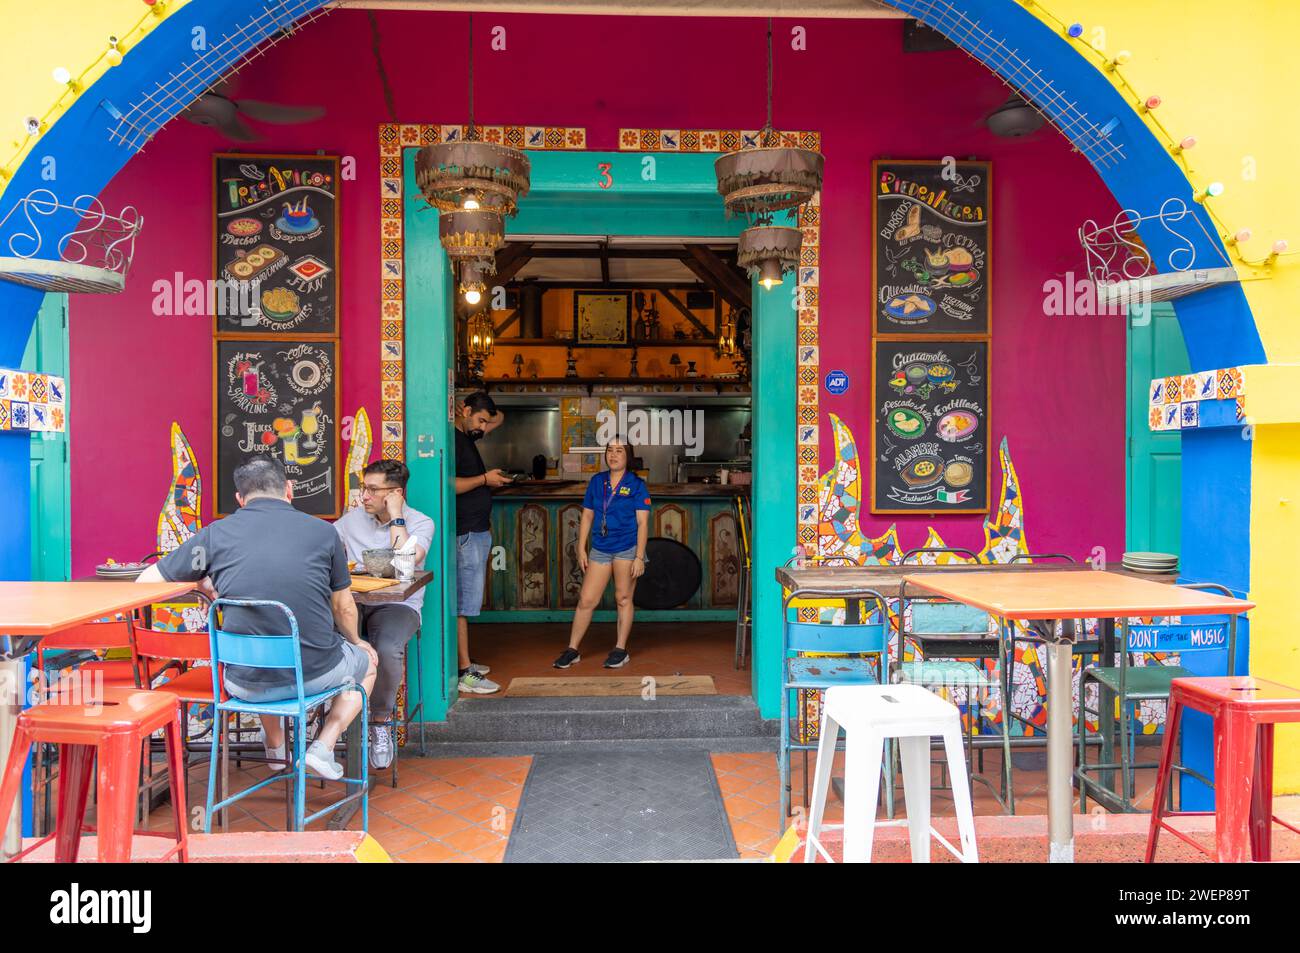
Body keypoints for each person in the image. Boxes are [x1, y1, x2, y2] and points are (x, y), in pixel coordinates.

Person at [137, 456, 376, 781]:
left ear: (240, 498)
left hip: (243, 684)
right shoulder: (323, 532)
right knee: (368, 664)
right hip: (314, 676)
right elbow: (344, 608)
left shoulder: (215, 534)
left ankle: (276, 746)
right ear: (289, 490)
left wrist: (198, 583)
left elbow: (145, 582)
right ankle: (323, 746)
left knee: (262, 651)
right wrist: (358, 642)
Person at [333, 459, 432, 770]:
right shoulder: (350, 521)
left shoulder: (419, 522)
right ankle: (333, 723)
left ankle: (379, 721)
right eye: (365, 488)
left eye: (373, 490)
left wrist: (397, 517)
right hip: (355, 603)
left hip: (399, 605)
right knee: (323, 638)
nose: (364, 496)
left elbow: (405, 570)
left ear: (396, 493)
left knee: (387, 649)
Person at [553, 438, 650, 669]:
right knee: (587, 599)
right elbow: (587, 515)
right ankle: (573, 649)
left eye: (619, 451)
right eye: (610, 450)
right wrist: (580, 547)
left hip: (627, 548)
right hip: (601, 548)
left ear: (628, 456)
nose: (613, 454)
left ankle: (620, 649)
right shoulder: (597, 482)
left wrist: (639, 556)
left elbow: (643, 523)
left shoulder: (637, 484)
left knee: (623, 598)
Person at [454, 391, 509, 693]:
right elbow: (449, 484)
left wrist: (478, 417)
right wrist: (484, 480)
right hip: (466, 534)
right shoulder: (454, 440)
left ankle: (464, 661)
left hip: (474, 531)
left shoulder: (467, 437)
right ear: (463, 410)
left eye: (486, 423)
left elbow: (500, 417)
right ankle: (464, 672)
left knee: (467, 602)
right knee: (463, 604)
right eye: (480, 420)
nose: (484, 428)